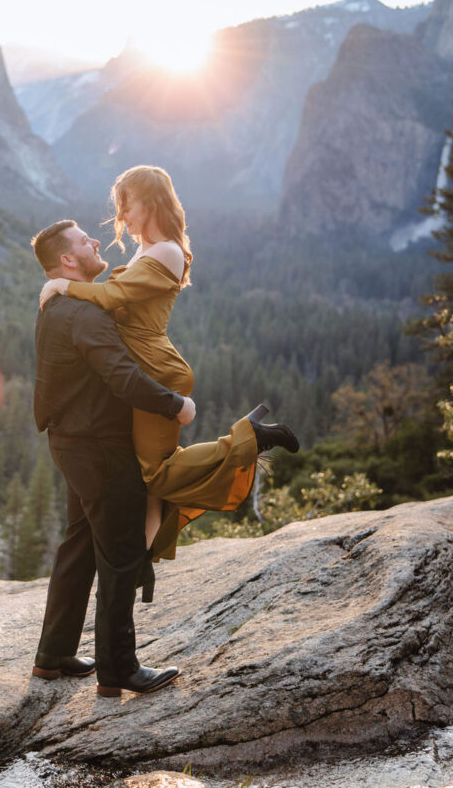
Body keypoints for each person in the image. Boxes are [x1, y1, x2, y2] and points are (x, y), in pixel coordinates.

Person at [39, 165, 299, 578]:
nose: (120, 214)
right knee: (151, 479)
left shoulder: (168, 252)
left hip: (158, 372)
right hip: (147, 367)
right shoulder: (148, 249)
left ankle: (251, 437)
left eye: (126, 203)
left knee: (157, 473)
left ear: (151, 202)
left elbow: (114, 294)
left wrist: (62, 286)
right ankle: (145, 555)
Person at [30, 218, 196, 697]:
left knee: (79, 546)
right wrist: (176, 406)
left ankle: (53, 655)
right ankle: (119, 670)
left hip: (70, 443)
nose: (96, 241)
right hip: (100, 449)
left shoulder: (58, 304)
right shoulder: (85, 314)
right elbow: (123, 377)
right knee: (121, 557)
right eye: (86, 240)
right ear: (67, 260)